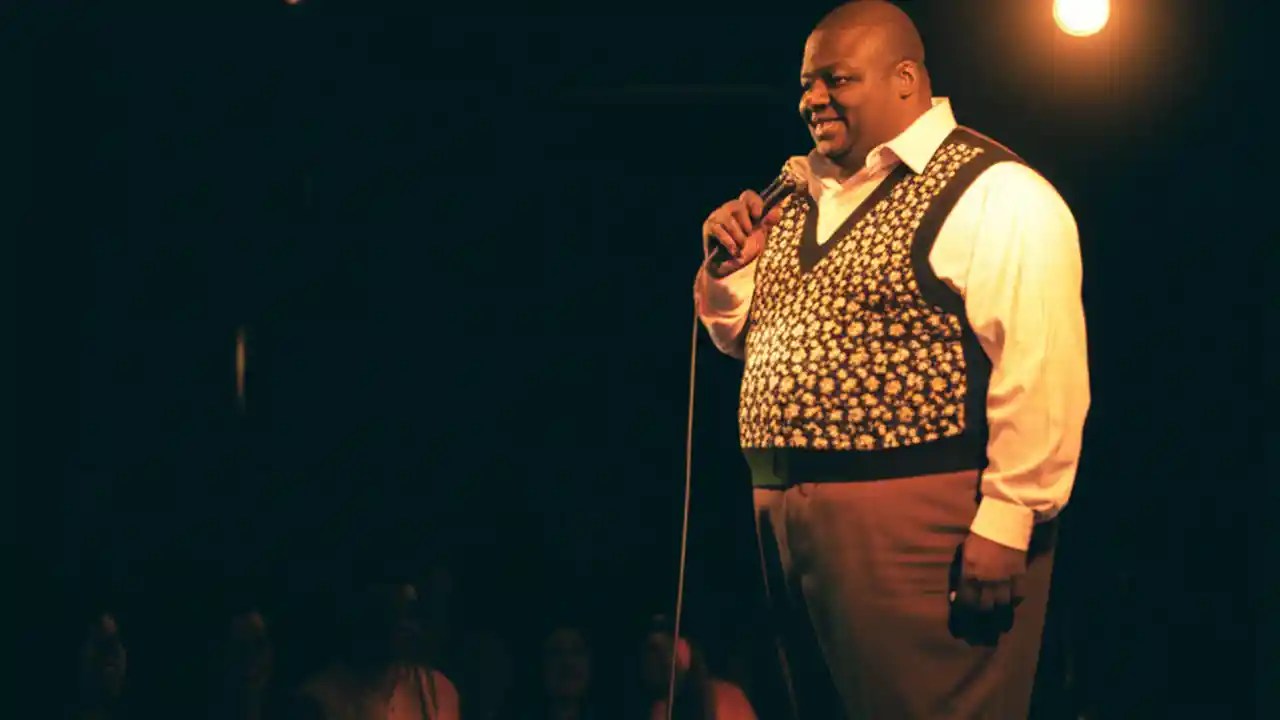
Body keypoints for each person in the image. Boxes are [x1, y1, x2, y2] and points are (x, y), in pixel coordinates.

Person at [692, 1, 1090, 718]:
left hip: (917, 514)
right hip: (787, 513)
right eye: (807, 83)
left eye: (836, 80)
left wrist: (1009, 519)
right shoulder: (800, 193)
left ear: (904, 79)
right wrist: (728, 274)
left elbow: (1042, 365)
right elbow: (737, 338)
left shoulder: (994, 191)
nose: (812, 99)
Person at [293, 581, 459, 720]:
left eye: (411, 613)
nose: (409, 627)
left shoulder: (436, 691)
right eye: (392, 611)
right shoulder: (320, 699)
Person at [638, 616, 757, 720]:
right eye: (649, 652)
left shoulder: (728, 698)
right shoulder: (660, 710)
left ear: (683, 649)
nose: (653, 662)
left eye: (657, 650)